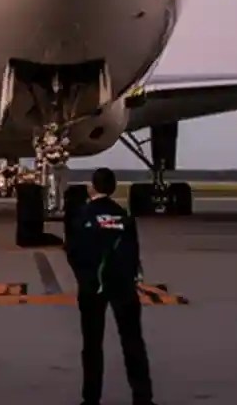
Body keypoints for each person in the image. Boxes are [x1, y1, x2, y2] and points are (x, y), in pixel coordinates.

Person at [64, 168, 155, 405]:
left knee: (92, 344)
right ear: (113, 188)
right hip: (123, 286)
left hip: (93, 286)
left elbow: (73, 251)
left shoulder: (82, 214)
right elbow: (133, 251)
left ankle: (91, 398)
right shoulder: (123, 215)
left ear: (92, 187)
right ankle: (142, 397)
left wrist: (85, 278)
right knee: (133, 341)